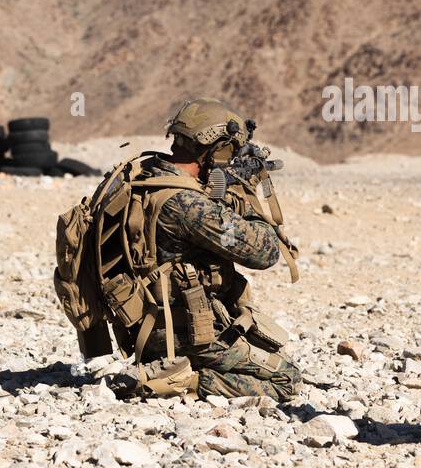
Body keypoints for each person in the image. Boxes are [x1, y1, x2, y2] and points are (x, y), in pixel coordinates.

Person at [55, 97, 301, 400]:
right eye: (231, 149)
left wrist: (224, 186)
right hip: (188, 336)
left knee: (268, 343)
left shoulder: (139, 177)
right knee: (286, 379)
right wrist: (244, 193)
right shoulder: (186, 204)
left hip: (144, 327)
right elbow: (264, 253)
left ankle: (163, 367)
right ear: (216, 147)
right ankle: (178, 380)